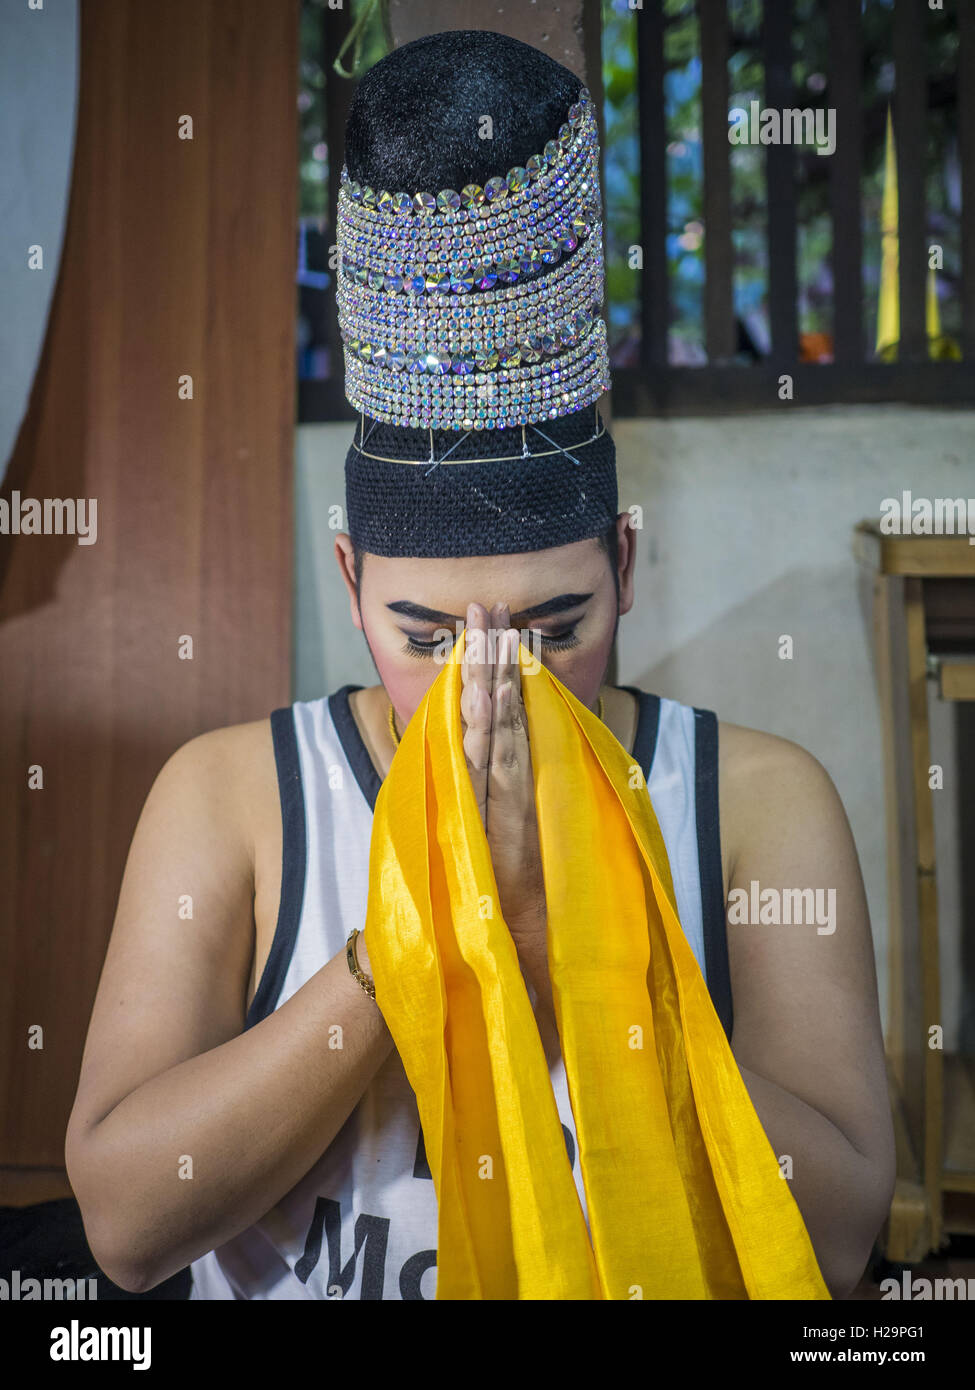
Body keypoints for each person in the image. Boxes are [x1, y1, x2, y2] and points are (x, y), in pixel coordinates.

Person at [65, 30, 894, 1301]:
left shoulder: (757, 803)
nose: (494, 685)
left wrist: (572, 939)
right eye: (428, 638)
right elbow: (125, 1229)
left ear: (625, 563)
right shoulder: (232, 797)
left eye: (556, 626)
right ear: (353, 584)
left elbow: (835, 1242)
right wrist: (425, 935)